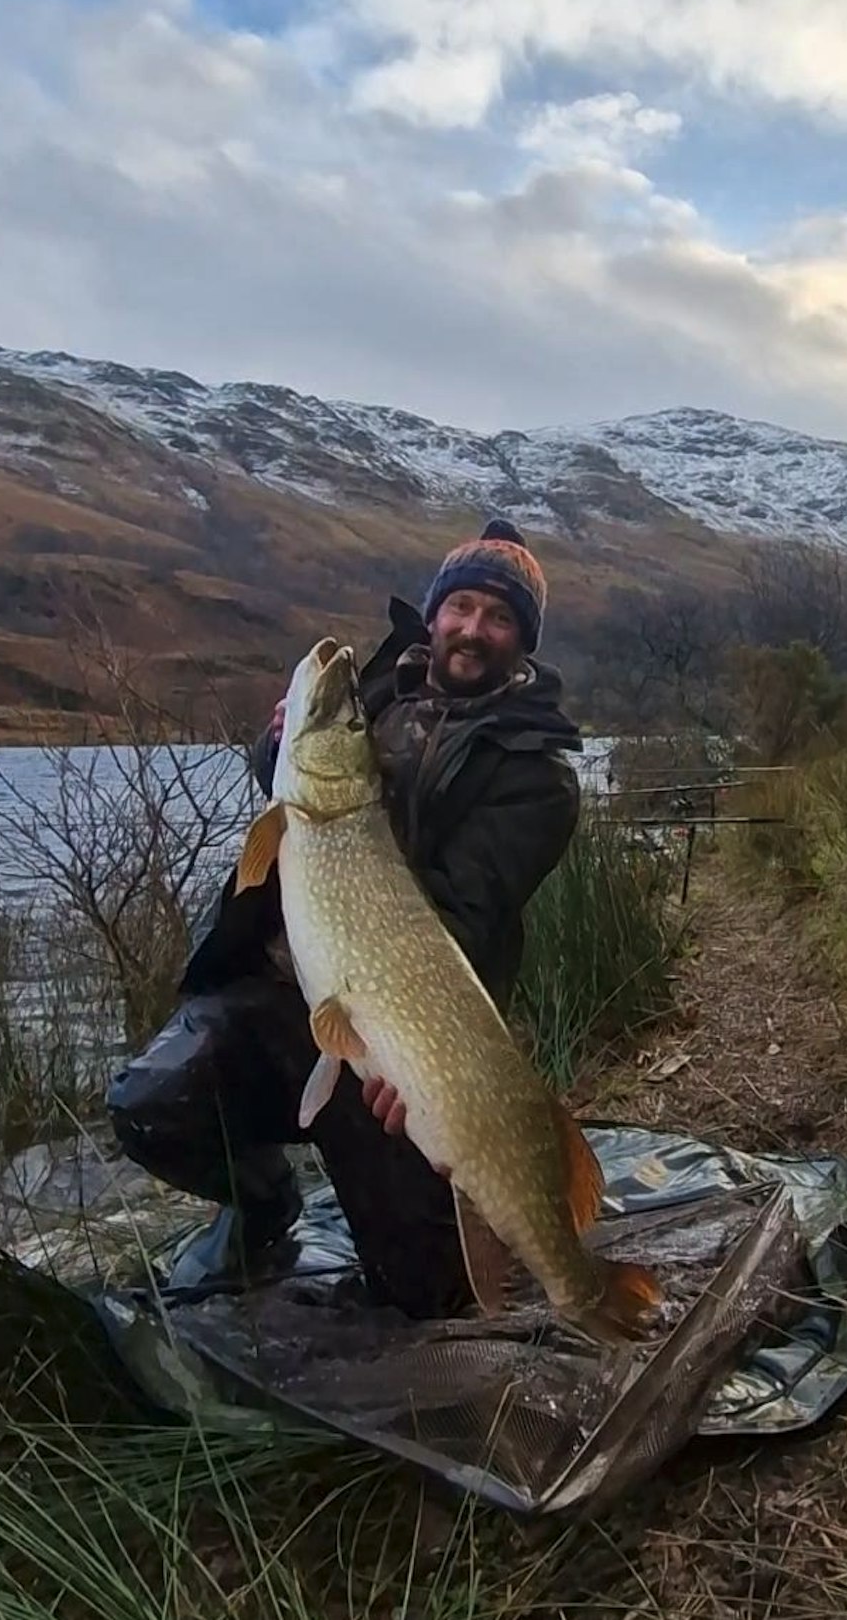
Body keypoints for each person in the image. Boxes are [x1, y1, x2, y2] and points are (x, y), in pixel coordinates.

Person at [106, 518, 582, 1318]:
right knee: (152, 1103)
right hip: (283, 997)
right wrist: (278, 746)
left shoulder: (539, 780)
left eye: (499, 618)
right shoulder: (375, 689)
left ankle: (520, 1259)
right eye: (460, 606)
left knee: (431, 1300)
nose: (473, 629)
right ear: (434, 614)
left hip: (395, 1028)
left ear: (522, 642)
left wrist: (419, 1064)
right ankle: (262, 1206)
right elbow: (299, 787)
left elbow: (459, 918)